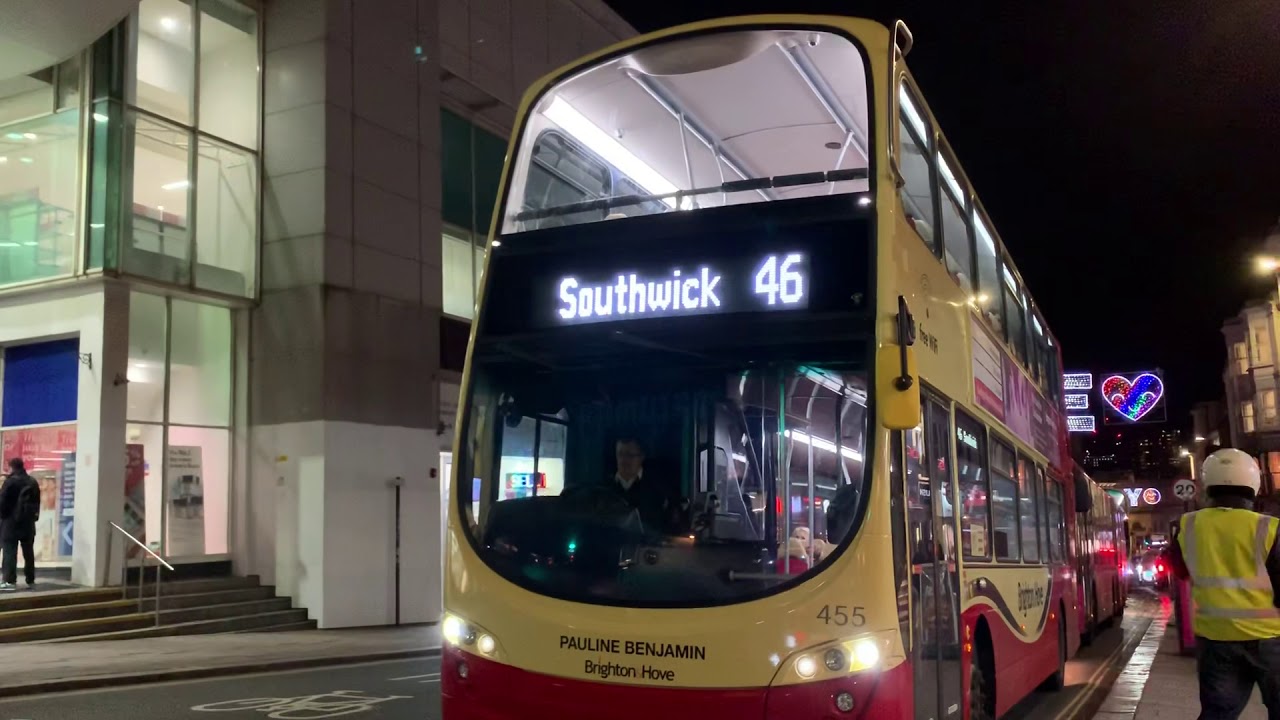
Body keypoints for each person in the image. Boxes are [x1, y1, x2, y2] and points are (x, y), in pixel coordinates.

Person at [1167, 448, 1280, 720]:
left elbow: (1179, 570)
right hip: (1269, 638)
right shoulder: (1270, 527)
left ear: (1208, 484)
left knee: (1217, 714)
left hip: (1215, 638)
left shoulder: (1189, 525)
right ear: (1253, 483)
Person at [608, 437, 680, 533]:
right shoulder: (604, 488)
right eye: (620, 454)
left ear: (642, 457)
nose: (624, 460)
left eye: (630, 455)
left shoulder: (659, 489)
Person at [0, 458, 40, 592]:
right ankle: (30, 578)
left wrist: (3, 517)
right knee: (28, 551)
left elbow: (2, 502)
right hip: (28, 523)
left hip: (11, 523)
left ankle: (9, 580)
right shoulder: (32, 482)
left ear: (11, 467)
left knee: (10, 551)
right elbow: (37, 502)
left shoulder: (10, 482)